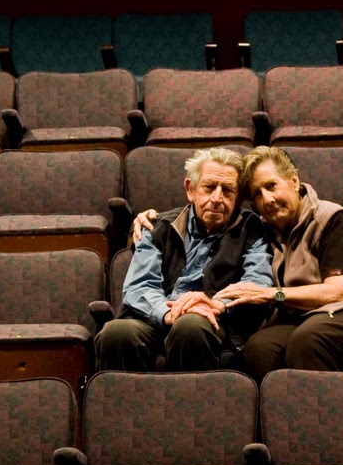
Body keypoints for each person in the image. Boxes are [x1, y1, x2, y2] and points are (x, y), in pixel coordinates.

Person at [135, 146, 343, 377]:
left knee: (309, 339)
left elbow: (341, 292)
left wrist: (271, 294)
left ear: (294, 181)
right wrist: (143, 221)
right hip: (307, 316)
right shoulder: (266, 228)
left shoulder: (334, 219)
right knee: (259, 348)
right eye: (257, 194)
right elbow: (184, 217)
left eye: (272, 186)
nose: (268, 199)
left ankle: (322, 417)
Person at [96, 147, 274, 371]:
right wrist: (167, 313)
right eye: (209, 187)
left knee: (190, 326)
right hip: (158, 314)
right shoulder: (158, 226)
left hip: (213, 319)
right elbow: (139, 286)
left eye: (228, 190)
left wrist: (219, 304)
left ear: (237, 197)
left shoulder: (251, 230)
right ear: (191, 189)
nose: (217, 198)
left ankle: (188, 395)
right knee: (115, 333)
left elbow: (258, 281)